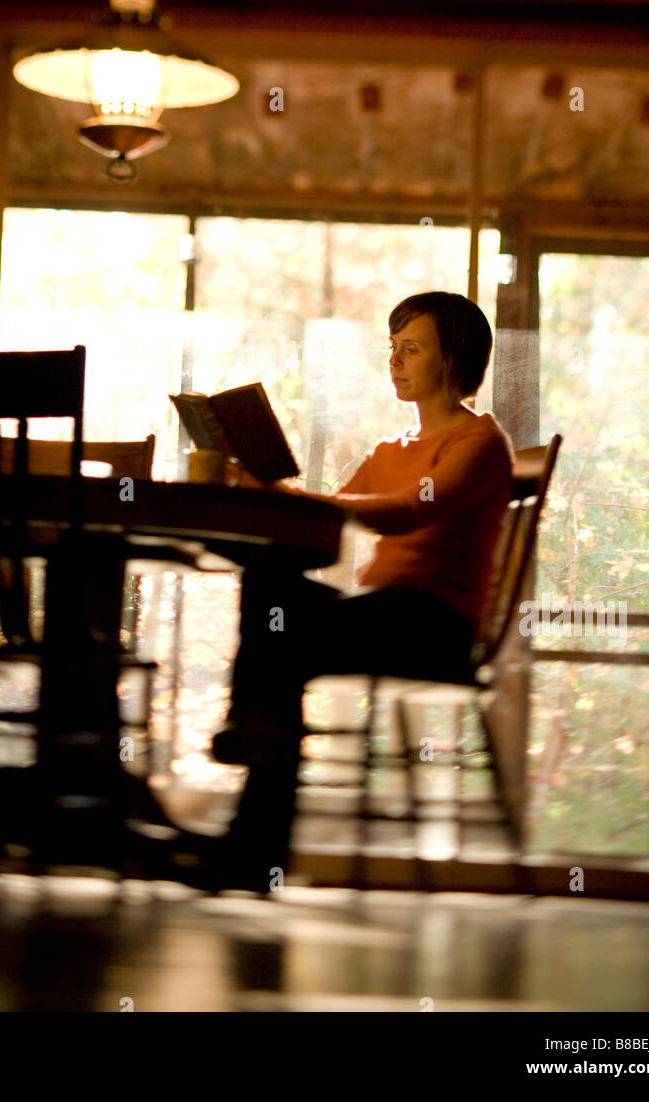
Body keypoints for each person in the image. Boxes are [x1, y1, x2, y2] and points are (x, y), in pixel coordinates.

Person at [153, 292, 514, 892]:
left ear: (453, 359)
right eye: (392, 349)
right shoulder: (390, 449)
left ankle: (251, 826)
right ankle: (254, 789)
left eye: (412, 349)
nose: (395, 361)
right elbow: (322, 521)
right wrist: (264, 489)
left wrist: (295, 499)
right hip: (379, 615)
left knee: (282, 641)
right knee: (272, 586)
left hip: (433, 626)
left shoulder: (478, 443)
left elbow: (402, 511)